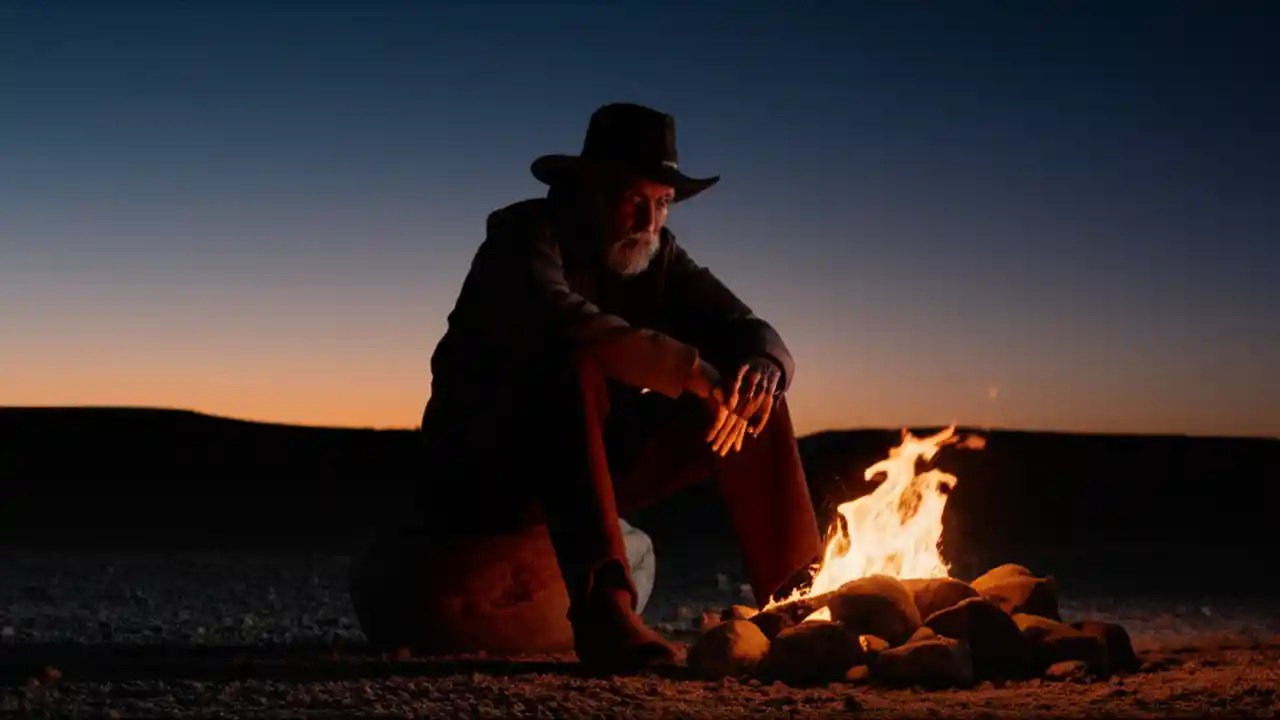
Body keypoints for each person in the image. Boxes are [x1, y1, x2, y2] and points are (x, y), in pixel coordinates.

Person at [417, 102, 822, 672]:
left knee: (751, 396)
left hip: (587, 468)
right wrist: (691, 373)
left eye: (661, 203)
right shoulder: (521, 239)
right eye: (636, 199)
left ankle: (800, 605)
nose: (649, 222)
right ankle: (604, 611)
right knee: (571, 363)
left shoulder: (658, 255)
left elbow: (742, 325)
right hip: (488, 471)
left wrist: (764, 365)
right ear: (590, 190)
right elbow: (562, 319)